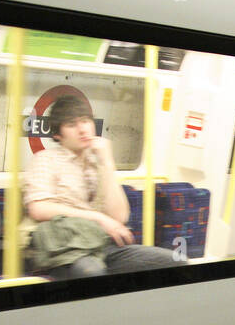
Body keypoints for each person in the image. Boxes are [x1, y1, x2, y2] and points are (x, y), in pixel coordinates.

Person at [22, 94, 176, 277]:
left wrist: (107, 162)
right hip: (64, 249)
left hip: (98, 244)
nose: (82, 130)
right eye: (72, 125)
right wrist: (98, 218)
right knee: (92, 273)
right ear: (57, 134)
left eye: (85, 121)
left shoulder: (97, 165)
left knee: (174, 261)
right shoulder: (46, 160)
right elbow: (39, 208)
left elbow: (119, 217)